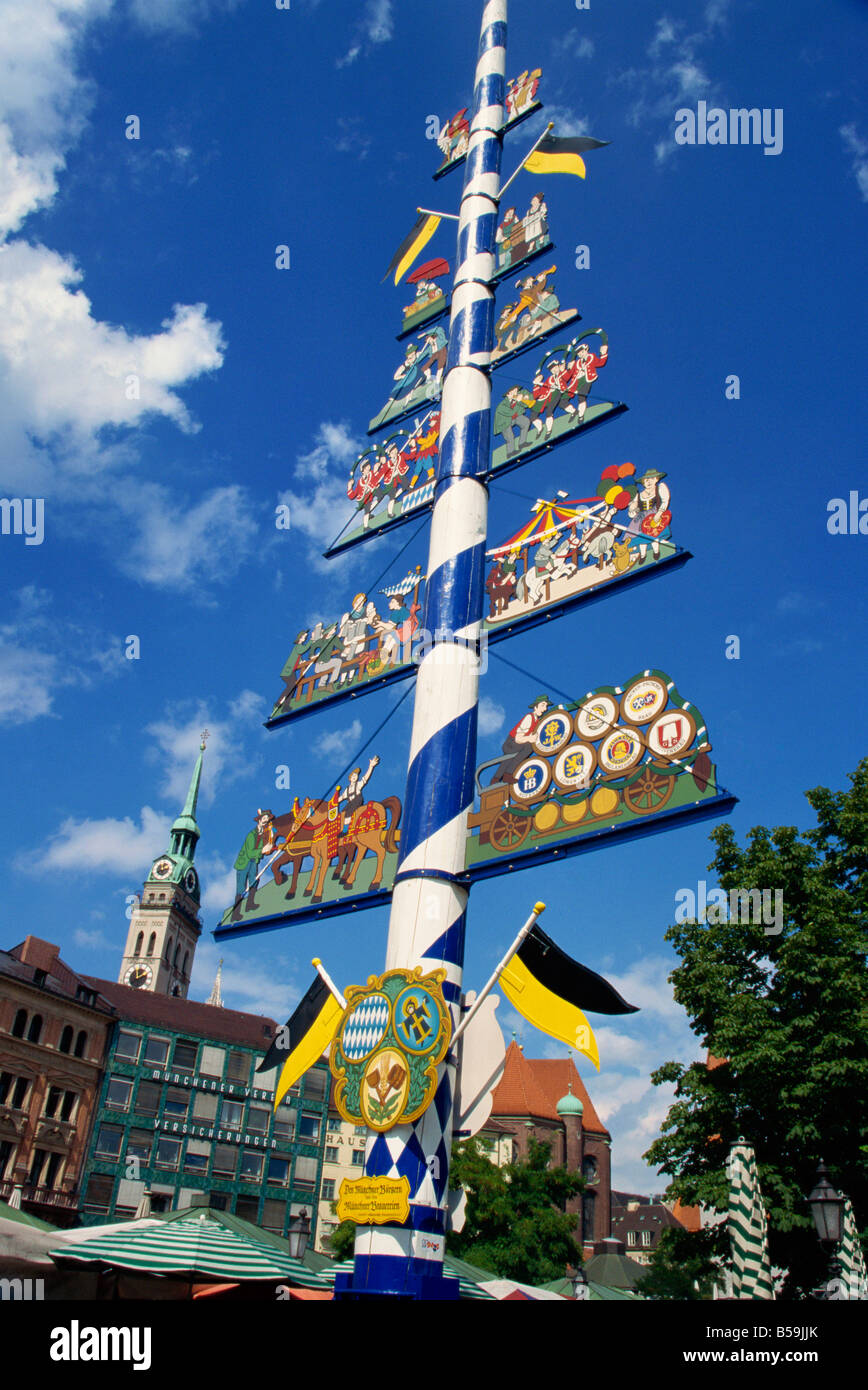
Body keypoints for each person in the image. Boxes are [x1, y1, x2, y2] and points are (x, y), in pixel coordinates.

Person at [491, 695, 552, 785]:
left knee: (526, 749)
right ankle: (497, 779)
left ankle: (505, 776)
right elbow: (518, 739)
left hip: (520, 744)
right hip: (510, 743)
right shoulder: (529, 718)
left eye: (546, 706)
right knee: (516, 754)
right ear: (535, 706)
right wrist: (529, 738)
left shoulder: (537, 721)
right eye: (543, 705)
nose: (545, 709)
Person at [233, 810, 273, 913]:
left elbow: (259, 851)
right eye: (264, 819)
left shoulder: (262, 834)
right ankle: (236, 913)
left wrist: (266, 850)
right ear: (259, 820)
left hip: (253, 862)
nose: (265, 821)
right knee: (241, 887)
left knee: (254, 881)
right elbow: (250, 853)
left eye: (267, 820)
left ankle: (249, 905)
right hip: (244, 863)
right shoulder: (251, 835)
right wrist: (263, 850)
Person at [494, 384, 535, 456]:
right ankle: (510, 452)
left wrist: (526, 398)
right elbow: (509, 412)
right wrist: (518, 401)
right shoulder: (502, 404)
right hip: (504, 422)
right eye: (513, 391)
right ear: (508, 394)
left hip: (515, 418)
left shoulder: (520, 394)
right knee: (509, 436)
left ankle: (522, 443)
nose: (515, 392)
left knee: (525, 422)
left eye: (516, 390)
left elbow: (528, 402)